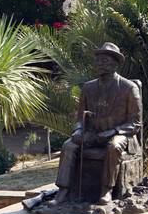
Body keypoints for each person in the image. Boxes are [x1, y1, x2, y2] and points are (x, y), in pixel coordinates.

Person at [50, 42, 142, 205]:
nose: (100, 64)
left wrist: (114, 131)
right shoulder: (88, 87)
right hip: (93, 134)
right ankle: (63, 191)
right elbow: (80, 119)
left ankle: (106, 190)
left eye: (105, 61)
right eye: (98, 61)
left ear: (115, 64)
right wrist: (78, 131)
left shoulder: (129, 88)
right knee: (68, 146)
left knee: (114, 147)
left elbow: (136, 123)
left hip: (120, 135)